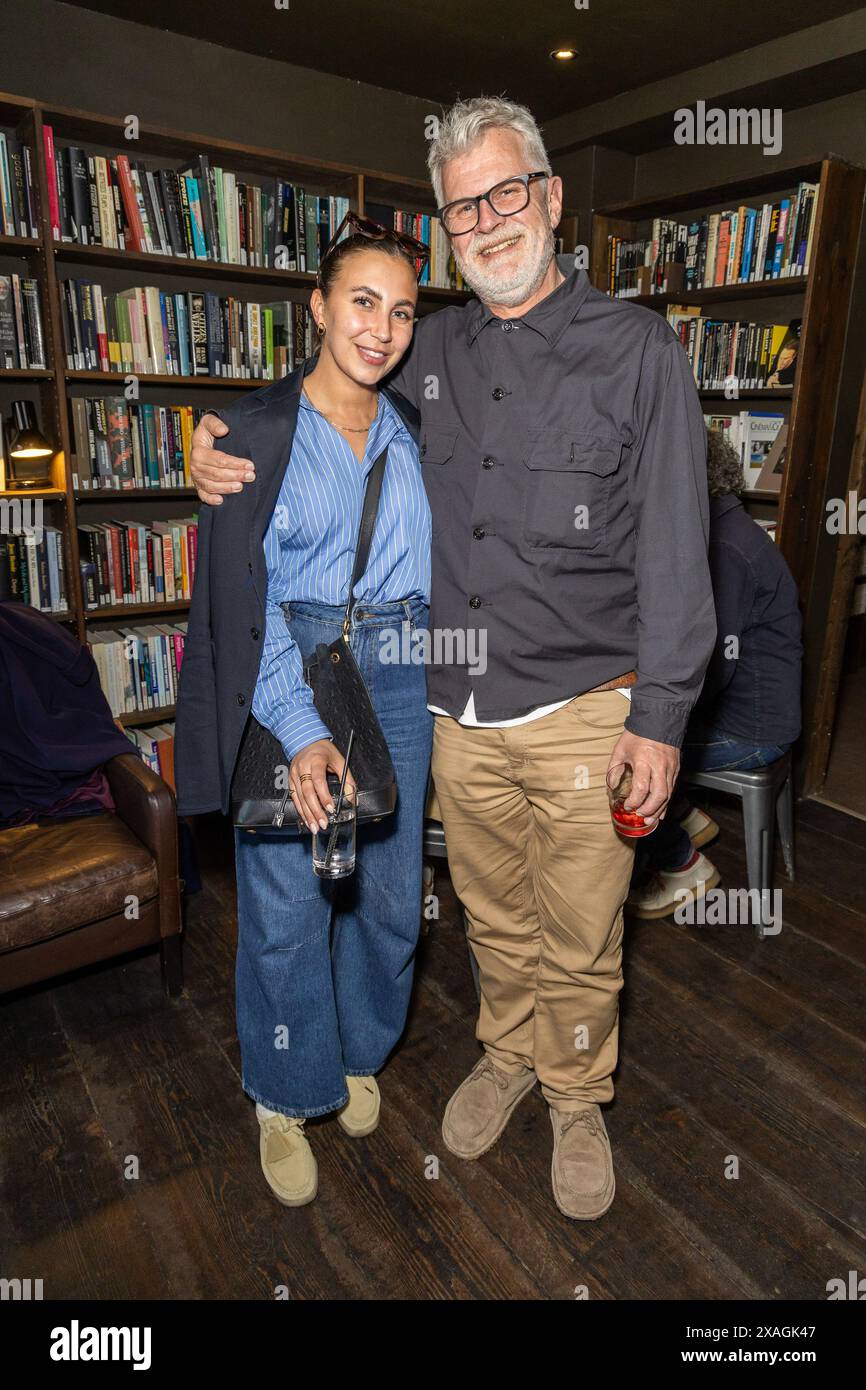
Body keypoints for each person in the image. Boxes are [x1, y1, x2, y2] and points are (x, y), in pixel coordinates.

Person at [186, 96, 717, 1221]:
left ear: (549, 198)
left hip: (585, 708)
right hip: (447, 705)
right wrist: (214, 437)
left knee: (580, 928)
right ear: (444, 228)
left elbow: (678, 543)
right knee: (487, 916)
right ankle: (508, 1054)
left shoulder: (635, 351)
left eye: (504, 192)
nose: (485, 219)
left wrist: (661, 717)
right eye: (461, 204)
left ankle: (575, 1093)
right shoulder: (429, 348)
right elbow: (317, 385)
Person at [174, 216, 434, 1207]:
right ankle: (283, 1090)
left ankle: (360, 1048)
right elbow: (250, 602)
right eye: (361, 302)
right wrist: (301, 725)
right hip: (295, 661)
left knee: (386, 892)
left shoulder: (419, 431)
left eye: (401, 309)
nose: (381, 328)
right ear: (319, 308)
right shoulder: (251, 437)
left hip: (403, 667)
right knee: (285, 899)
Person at [627, 427, 803, 918]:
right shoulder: (734, 531)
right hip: (757, 711)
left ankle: (683, 865)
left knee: (626, 755)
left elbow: (710, 673)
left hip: (752, 729)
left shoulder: (723, 550)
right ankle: (685, 817)